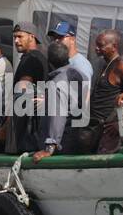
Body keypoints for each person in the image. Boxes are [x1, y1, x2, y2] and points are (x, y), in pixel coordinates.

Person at [63, 29, 123, 154]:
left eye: (101, 45)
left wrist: (122, 122)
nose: (96, 49)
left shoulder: (121, 66)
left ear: (114, 47)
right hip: (94, 127)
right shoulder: (104, 63)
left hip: (107, 130)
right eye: (96, 45)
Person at [33, 41, 83, 161]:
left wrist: (50, 146)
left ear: (49, 61)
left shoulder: (57, 83)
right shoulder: (76, 74)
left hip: (60, 147)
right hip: (75, 139)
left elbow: (58, 115)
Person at [7, 21, 48, 153]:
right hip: (36, 124)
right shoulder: (40, 57)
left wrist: (7, 123)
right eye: (14, 37)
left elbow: (22, 94)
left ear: (32, 37)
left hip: (29, 126)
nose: (16, 40)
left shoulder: (30, 59)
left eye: (20, 36)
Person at [46, 21, 92, 88]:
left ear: (72, 40)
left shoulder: (81, 65)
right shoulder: (57, 59)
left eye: (60, 37)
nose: (56, 40)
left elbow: (84, 94)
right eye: (54, 38)